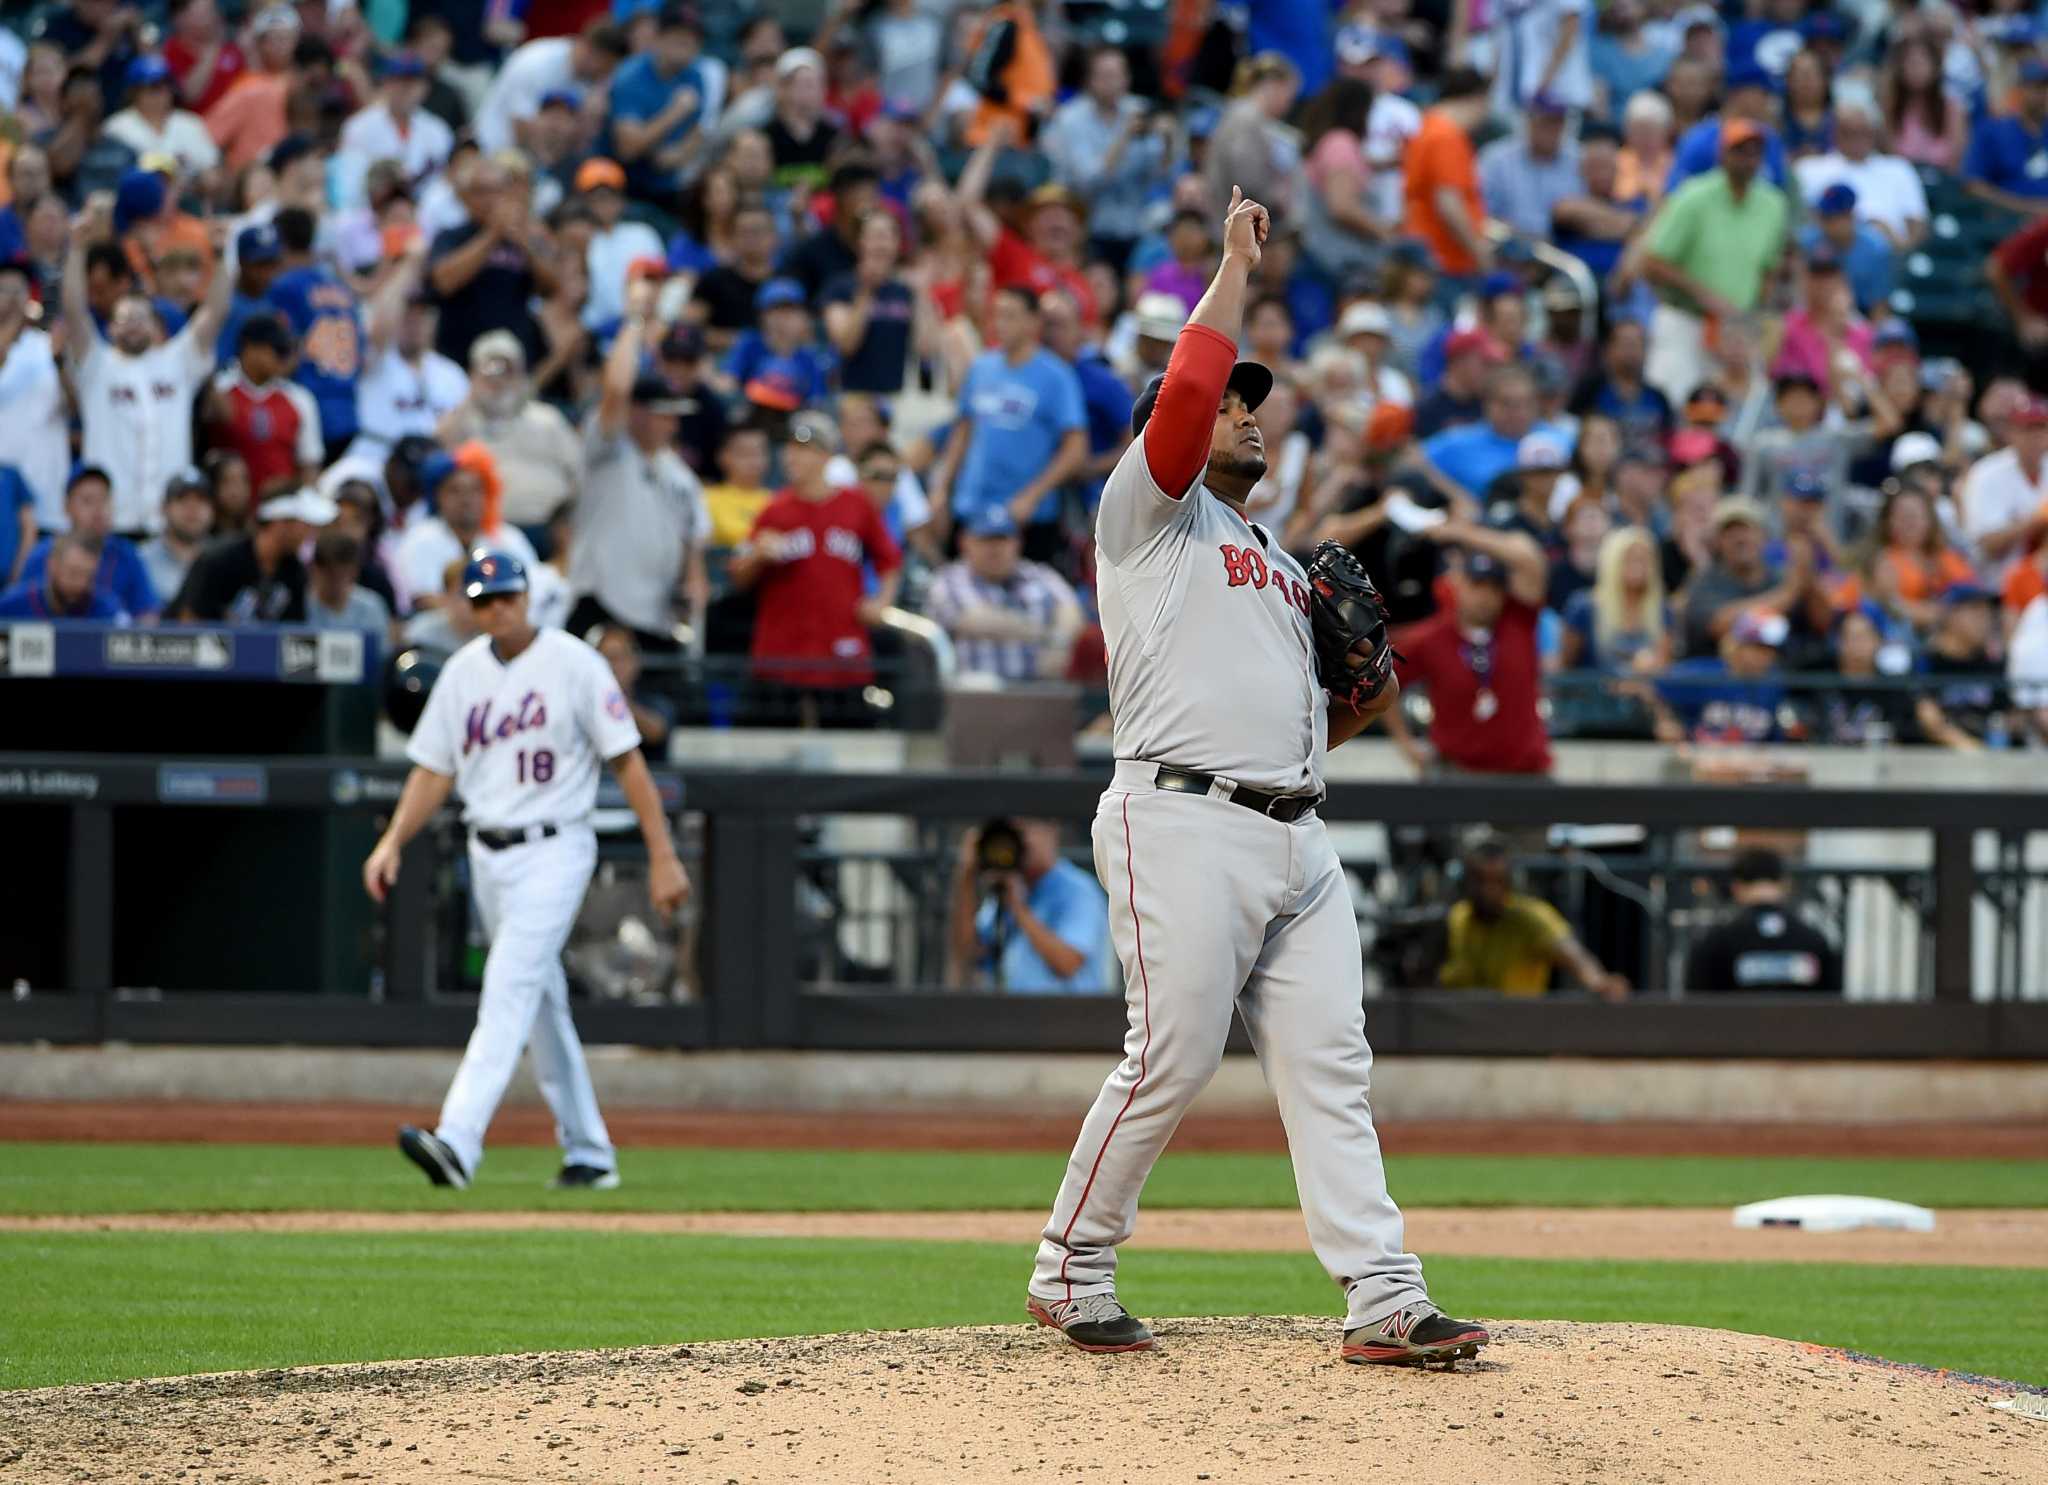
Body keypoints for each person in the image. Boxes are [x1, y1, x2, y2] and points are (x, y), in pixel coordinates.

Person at [1026, 185, 1487, 1367]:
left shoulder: (1279, 560)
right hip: (1178, 817)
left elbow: (1325, 719)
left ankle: (1382, 1295)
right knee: (1170, 1058)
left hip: (1295, 831)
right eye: (1230, 404)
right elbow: (1185, 389)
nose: (1243, 415)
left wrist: (1366, 695)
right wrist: (1234, 266)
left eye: (1252, 405)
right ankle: (1071, 1265)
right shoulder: (1145, 516)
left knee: (1331, 1066)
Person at [364, 549, 689, 1192]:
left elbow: (628, 761)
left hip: (556, 847)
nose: (497, 609)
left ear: (527, 596)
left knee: (508, 986)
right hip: (488, 851)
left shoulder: (575, 663)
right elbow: (433, 771)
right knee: (541, 1006)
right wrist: (393, 840)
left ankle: (458, 1140)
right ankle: (590, 1151)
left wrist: (662, 854)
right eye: (483, 600)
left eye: (506, 596)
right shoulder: (462, 672)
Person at [64, 192, 231, 535]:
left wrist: (222, 255)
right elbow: (74, 312)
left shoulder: (177, 362)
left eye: (142, 318)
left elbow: (215, 312)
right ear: (111, 328)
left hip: (167, 523)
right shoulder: (97, 365)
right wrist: (77, 250)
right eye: (125, 319)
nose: (133, 325)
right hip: (111, 523)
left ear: (156, 326)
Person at [730, 411, 901, 726]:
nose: (792, 457)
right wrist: (758, 556)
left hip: (841, 646)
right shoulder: (774, 510)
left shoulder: (855, 504)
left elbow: (889, 559)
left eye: (804, 450)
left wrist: (882, 601)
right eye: (790, 448)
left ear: (825, 456)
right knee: (770, 739)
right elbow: (738, 576)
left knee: (850, 737)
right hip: (783, 650)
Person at [566, 299, 712, 654]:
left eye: (674, 415)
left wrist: (694, 580)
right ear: (636, 412)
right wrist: (634, 321)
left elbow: (693, 541)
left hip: (657, 618)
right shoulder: (609, 449)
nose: (671, 423)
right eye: (662, 414)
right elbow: (616, 389)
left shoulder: (681, 475)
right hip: (601, 605)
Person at [1641, 119, 1790, 410]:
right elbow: (1651, 262)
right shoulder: (1693, 196)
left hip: (1738, 328)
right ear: (1722, 154)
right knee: (1675, 405)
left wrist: (1755, 315)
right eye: (1739, 150)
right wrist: (1705, 296)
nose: (1748, 159)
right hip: (1687, 320)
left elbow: (1769, 267)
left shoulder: (1773, 204)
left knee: (1743, 412)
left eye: (1755, 151)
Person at [930, 286, 1087, 559]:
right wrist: (942, 488)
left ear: (1033, 322)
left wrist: (1033, 495)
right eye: (998, 315)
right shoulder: (980, 368)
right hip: (972, 506)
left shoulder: (1057, 376)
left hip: (1027, 516)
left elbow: (1075, 450)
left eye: (1010, 315)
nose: (1000, 323)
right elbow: (963, 432)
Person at [1388, 524, 1553, 776]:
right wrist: (1405, 743)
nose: (1485, 596)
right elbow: (1382, 682)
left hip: (1524, 772)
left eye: (1494, 588)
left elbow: (1529, 560)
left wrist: (1460, 532)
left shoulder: (1519, 621)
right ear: (1458, 585)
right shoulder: (1431, 637)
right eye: (1477, 585)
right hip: (1456, 772)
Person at [1438, 834, 1630, 999]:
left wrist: (1599, 982)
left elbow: (1575, 956)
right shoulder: (1457, 916)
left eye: (1496, 881)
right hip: (1459, 1024)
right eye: (1479, 880)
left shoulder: (1531, 917)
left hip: (1516, 1025)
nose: (1487, 891)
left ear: (1509, 882)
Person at [435, 331, 583, 540]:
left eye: (508, 371)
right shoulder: (463, 422)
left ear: (521, 375)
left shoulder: (548, 419)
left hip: (552, 531)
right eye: (490, 370)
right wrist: (472, 392)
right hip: (490, 533)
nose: (499, 380)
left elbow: (581, 472)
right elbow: (437, 452)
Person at [1041, 45, 1176, 269]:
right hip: (1089, 230)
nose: (1112, 83)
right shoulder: (1071, 119)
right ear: (1090, 81)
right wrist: (1124, 137)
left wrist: (1168, 142)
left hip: (1136, 229)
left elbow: (1161, 176)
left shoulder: (1140, 110)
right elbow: (1089, 181)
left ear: (1127, 78)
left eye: (1117, 75)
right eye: (1104, 76)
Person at [946, 818, 1111, 994]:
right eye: (1016, 828)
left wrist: (1018, 909)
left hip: (1067, 1010)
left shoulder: (1078, 890)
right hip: (1013, 1010)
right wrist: (967, 876)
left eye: (1030, 825)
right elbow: (971, 952)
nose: (1024, 837)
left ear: (1052, 832)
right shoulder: (1010, 889)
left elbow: (1068, 963)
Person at [927, 507, 1085, 681]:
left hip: (1038, 688)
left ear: (1018, 542)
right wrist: (1042, 634)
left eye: (1002, 539)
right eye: (986, 540)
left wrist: (1059, 645)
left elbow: (1072, 611)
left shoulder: (1040, 575)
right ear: (965, 542)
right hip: (973, 692)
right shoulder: (948, 579)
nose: (995, 549)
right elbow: (972, 619)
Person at [266, 207, 365, 463]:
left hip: (309, 405)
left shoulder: (284, 287)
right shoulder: (340, 287)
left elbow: (282, 345)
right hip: (348, 407)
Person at [352, 255, 469, 462]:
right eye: (407, 315)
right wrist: (411, 262)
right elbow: (380, 324)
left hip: (429, 466)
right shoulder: (376, 358)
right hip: (374, 457)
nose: (415, 322)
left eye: (422, 315)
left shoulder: (452, 374)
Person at [1685, 848, 1842, 993]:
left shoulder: (1716, 943)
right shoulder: (1814, 941)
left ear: (1736, 886)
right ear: (1785, 884)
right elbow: (1833, 999)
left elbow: (1696, 1000)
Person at [169, 485, 332, 622]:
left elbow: (293, 633)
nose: (310, 534)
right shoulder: (219, 561)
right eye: (305, 525)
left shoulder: (295, 573)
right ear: (281, 523)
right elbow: (189, 622)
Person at [16, 465, 158, 620]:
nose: (98, 510)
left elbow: (147, 613)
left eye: (104, 500)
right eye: (87, 501)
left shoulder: (127, 555)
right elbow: (21, 609)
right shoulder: (42, 554)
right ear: (66, 506)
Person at [204, 312, 323, 496]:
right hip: (226, 502)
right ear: (250, 349)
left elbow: (310, 466)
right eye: (278, 351)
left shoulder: (299, 399)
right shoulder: (220, 389)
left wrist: (291, 488)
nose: (285, 359)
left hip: (281, 505)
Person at [1793, 97, 1928, 252]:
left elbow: (1917, 222)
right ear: (1835, 132)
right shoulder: (1809, 169)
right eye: (1849, 132)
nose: (1857, 138)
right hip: (1831, 251)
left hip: (1891, 251)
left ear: (1874, 133)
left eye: (1864, 132)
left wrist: (1903, 249)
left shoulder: (1899, 168)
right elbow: (1804, 220)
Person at [0, 254, 70, 530]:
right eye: (4, 290)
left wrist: (60, 363)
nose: (12, 299)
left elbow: (73, 407)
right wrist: (9, 328)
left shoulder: (47, 345)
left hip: (47, 496)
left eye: (18, 291)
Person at [1401, 67, 1492, 278]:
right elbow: (1449, 204)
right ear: (1478, 98)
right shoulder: (1446, 137)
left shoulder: (1427, 126)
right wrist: (1481, 255)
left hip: (1427, 255)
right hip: (1445, 261)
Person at [336, 52, 453, 209]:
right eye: (399, 82)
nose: (406, 89)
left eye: (413, 83)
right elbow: (349, 184)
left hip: (425, 213)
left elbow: (441, 185)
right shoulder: (358, 127)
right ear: (386, 84)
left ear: (425, 87)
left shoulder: (438, 130)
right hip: (371, 211)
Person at [1958, 395, 2048, 583]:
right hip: (1998, 587)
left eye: (2041, 428)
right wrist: (2035, 520)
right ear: (2011, 432)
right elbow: (1987, 545)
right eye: (2027, 429)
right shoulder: (1986, 473)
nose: (2035, 437)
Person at [1477, 94, 1582, 244]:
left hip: (1563, 247)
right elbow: (1478, 210)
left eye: (1558, 122)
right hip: (1507, 245)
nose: (1552, 129)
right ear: (1529, 122)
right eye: (1545, 122)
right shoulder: (1496, 159)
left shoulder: (1578, 158)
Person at [1914, 585, 2009, 749]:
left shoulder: (1993, 664)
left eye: (1988, 612)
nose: (1985, 620)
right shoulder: (1926, 662)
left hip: (1990, 753)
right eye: (1976, 611)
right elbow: (1930, 720)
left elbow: (2008, 716)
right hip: (1936, 757)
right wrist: (1974, 750)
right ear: (1951, 615)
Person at [1964, 58, 2048, 217]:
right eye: (2035, 87)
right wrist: (2027, 207)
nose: (2042, 95)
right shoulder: (1994, 130)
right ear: (2020, 90)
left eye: (2045, 88)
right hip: (2009, 220)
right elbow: (1974, 186)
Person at [0, 532, 120, 620]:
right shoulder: (11, 605)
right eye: (73, 573)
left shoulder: (106, 609)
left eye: (89, 576)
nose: (81, 583)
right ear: (52, 565)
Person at [136, 468, 213, 602]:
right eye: (183, 499)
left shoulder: (224, 560)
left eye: (201, 500)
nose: (192, 508)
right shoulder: (141, 561)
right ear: (164, 508)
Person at [595, 625, 675, 750]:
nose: (613, 667)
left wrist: (616, 701)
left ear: (635, 661)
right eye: (605, 658)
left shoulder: (657, 703)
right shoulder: (586, 702)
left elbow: (656, 732)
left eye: (618, 658)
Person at [305, 527, 393, 637]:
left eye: (341, 575)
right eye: (330, 574)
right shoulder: (300, 605)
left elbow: (382, 646)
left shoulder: (371, 607)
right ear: (315, 570)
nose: (335, 582)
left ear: (354, 571)